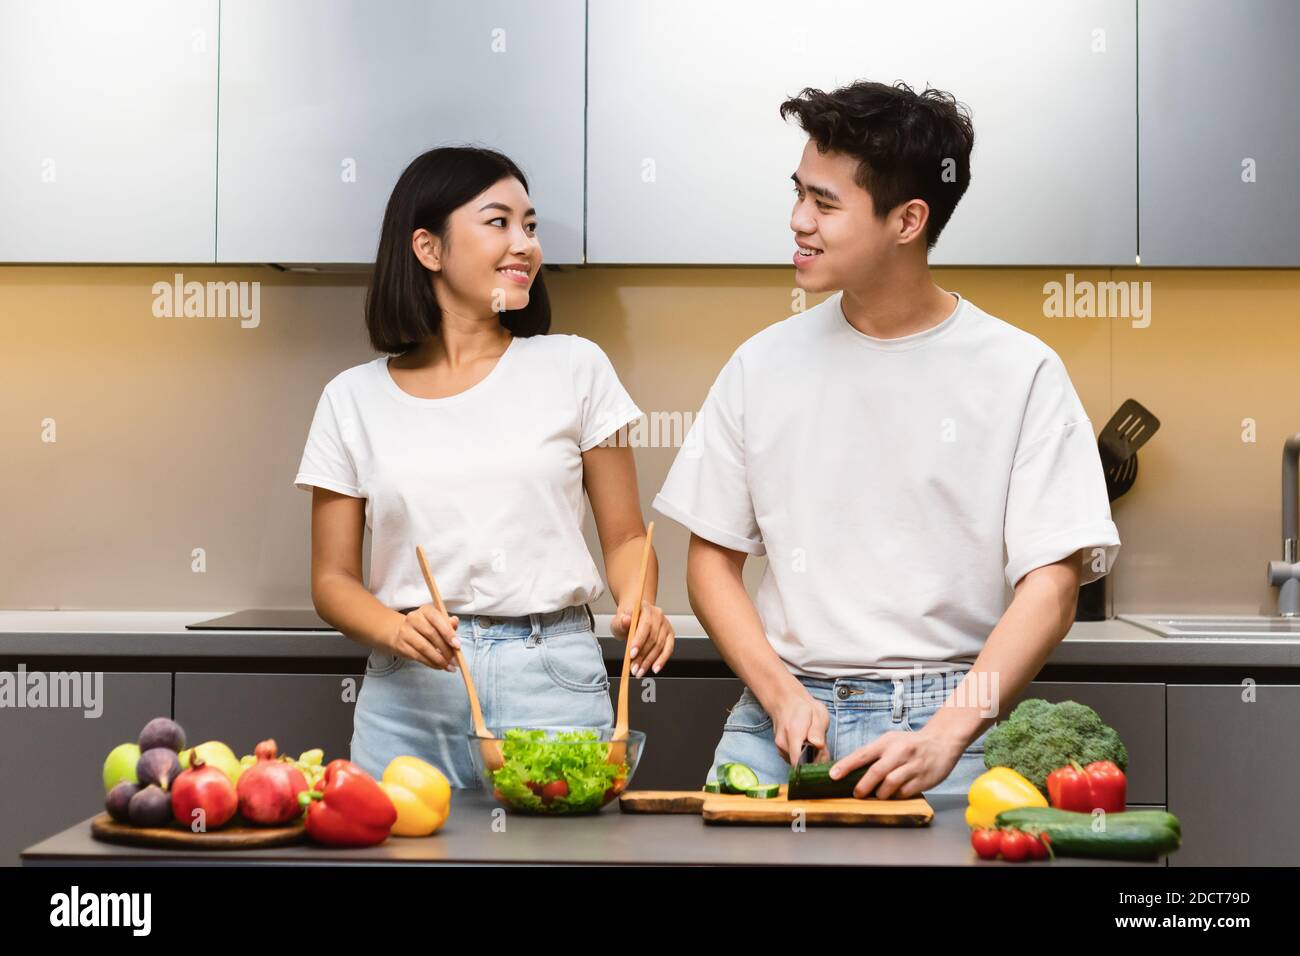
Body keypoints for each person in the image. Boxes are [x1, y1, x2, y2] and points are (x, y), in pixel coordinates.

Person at [652, 80, 1120, 798]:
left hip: (951, 726)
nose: (798, 220)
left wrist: (947, 733)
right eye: (798, 192)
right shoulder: (760, 365)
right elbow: (710, 562)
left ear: (908, 220)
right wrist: (778, 692)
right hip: (783, 721)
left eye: (825, 203)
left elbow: (1052, 586)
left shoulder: (1021, 372)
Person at [294, 146, 675, 788]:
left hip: (554, 678)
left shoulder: (574, 367)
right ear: (428, 248)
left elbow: (628, 538)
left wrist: (640, 602)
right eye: (498, 222)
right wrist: (394, 629)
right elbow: (332, 581)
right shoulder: (350, 398)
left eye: (530, 225)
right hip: (410, 692)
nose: (524, 243)